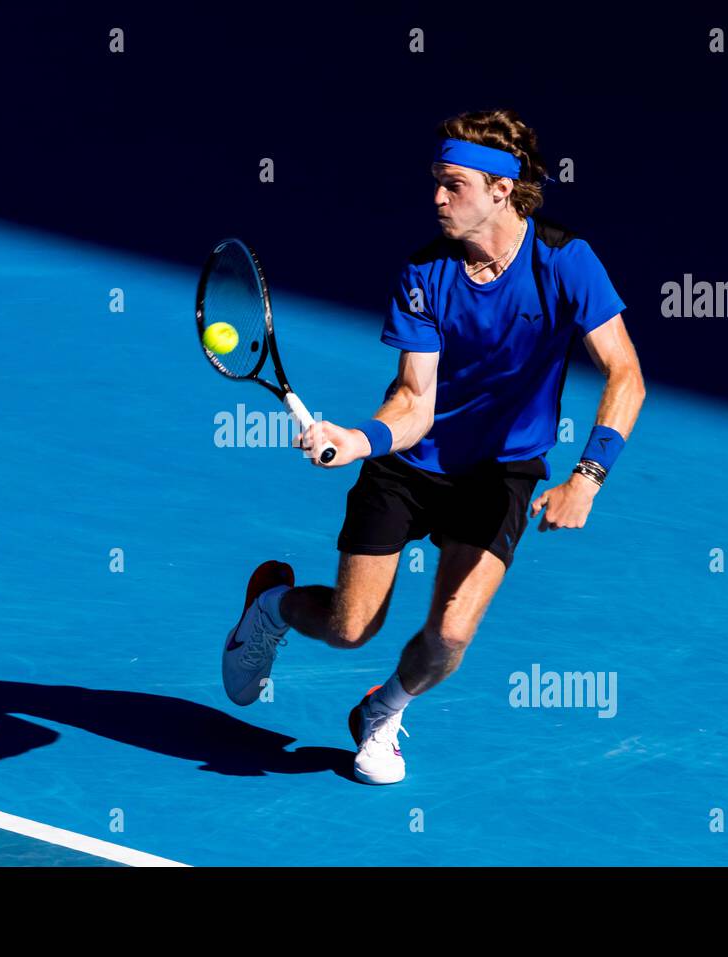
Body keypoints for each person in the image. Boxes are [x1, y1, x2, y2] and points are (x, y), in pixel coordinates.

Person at [222, 108, 646, 785]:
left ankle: (382, 712)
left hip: (500, 473)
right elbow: (415, 399)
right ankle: (271, 606)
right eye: (436, 182)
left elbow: (626, 373)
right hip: (409, 466)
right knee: (349, 626)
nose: (437, 198)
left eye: (454, 184)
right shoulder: (424, 273)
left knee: (450, 634)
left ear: (502, 189)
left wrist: (588, 475)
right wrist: (360, 439)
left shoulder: (567, 260)